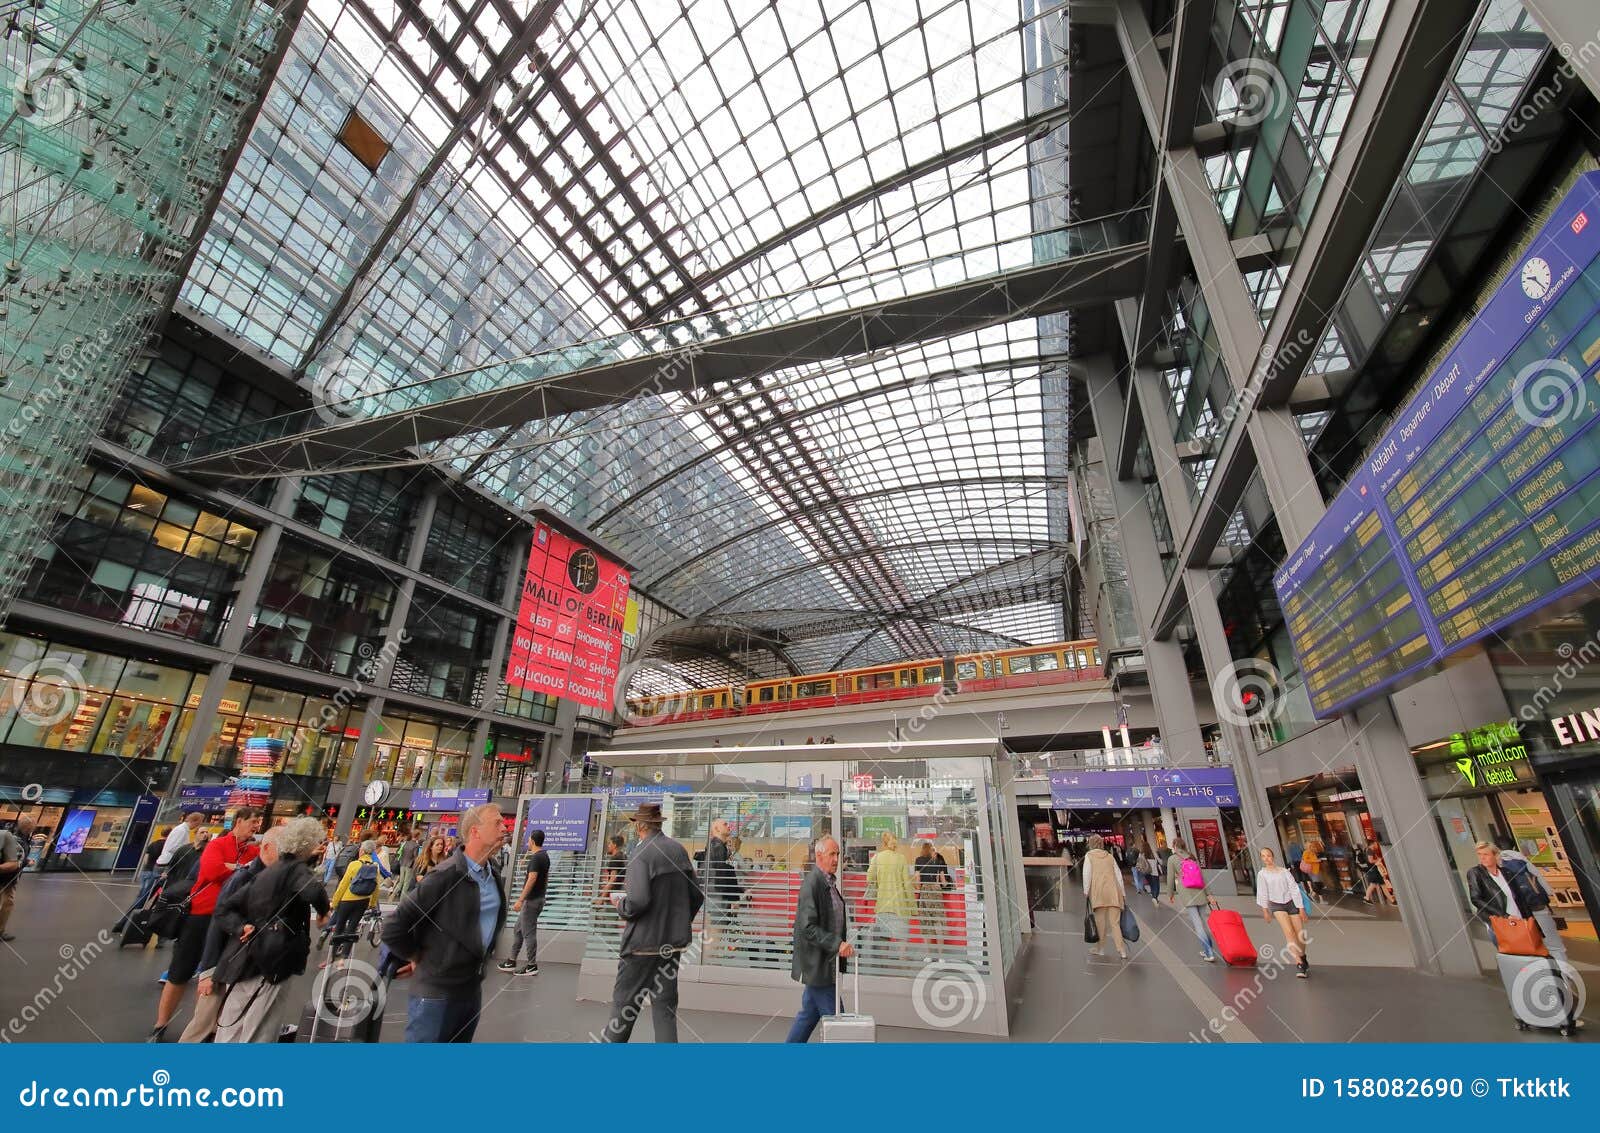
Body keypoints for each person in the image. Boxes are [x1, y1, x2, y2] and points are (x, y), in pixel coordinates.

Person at [383, 802, 507, 1043]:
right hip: (436, 995)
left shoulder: (492, 872)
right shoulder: (445, 875)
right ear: (475, 832)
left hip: (470, 990)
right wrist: (417, 956)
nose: (505, 827)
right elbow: (395, 926)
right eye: (498, 823)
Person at [212, 817, 331, 1043]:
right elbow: (312, 890)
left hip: (243, 960)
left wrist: (240, 927)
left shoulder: (267, 873)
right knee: (261, 1030)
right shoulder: (295, 870)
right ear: (309, 845)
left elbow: (224, 909)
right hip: (273, 961)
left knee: (231, 1029)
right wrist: (324, 912)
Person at [149, 807, 261, 1040]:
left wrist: (231, 869)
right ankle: (161, 1023)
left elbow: (256, 877)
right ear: (239, 821)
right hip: (200, 916)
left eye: (259, 822)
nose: (257, 826)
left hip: (229, 920)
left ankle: (204, 1027)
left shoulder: (253, 851)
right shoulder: (218, 845)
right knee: (180, 971)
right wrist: (239, 870)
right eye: (253, 821)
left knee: (216, 975)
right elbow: (212, 871)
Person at [601, 802, 703, 1043]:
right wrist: (677, 921)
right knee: (665, 1011)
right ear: (659, 824)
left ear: (640, 827)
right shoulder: (679, 850)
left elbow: (637, 901)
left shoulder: (641, 853)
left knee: (623, 1009)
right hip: (672, 946)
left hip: (641, 947)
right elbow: (696, 896)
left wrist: (620, 906)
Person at [178, 825, 280, 1042]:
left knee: (225, 1024)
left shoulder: (268, 876)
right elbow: (218, 922)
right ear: (268, 848)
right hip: (223, 964)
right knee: (203, 1022)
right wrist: (207, 971)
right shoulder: (244, 877)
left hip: (240, 966)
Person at [785, 836, 854, 1042]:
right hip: (819, 965)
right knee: (837, 1020)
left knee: (808, 1015)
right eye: (832, 854)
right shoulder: (812, 884)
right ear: (819, 855)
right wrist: (837, 944)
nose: (836, 859)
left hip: (824, 964)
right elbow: (807, 927)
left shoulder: (828, 882)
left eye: (838, 854)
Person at [1468, 841, 1567, 965]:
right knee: (1518, 953)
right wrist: (1505, 916)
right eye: (1479, 854)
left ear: (1496, 855)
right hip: (1506, 919)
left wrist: (1531, 922)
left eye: (1486, 854)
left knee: (1523, 953)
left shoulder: (1506, 872)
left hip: (1518, 919)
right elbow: (1476, 899)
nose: (1482, 858)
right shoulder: (1476, 872)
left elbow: (1519, 898)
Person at [323, 839, 384, 959]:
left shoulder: (354, 864)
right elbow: (376, 888)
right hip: (364, 901)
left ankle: (333, 955)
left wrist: (335, 902)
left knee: (339, 927)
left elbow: (343, 885)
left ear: (362, 850)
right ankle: (345, 955)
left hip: (347, 900)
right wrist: (371, 903)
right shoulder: (375, 867)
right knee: (352, 927)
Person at [499, 828, 549, 975]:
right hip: (538, 898)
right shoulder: (545, 856)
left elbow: (532, 878)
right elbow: (546, 878)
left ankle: (532, 965)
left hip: (531, 901)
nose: (527, 842)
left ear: (532, 841)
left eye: (528, 840)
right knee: (518, 929)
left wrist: (521, 900)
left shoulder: (536, 858)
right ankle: (511, 960)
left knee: (528, 933)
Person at [1256, 847, 1308, 978]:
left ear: (1273, 856)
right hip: (1276, 904)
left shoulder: (1284, 872)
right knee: (1289, 932)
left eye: (1268, 855)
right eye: (1263, 856)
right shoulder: (1262, 874)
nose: (1266, 858)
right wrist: (1265, 911)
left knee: (1301, 934)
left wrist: (1301, 909)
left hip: (1291, 903)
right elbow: (1262, 892)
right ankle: (1299, 963)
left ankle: (1303, 956)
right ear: (1261, 859)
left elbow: (1294, 889)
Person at [865, 831, 915, 962]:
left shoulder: (876, 858)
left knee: (883, 948)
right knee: (902, 950)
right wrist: (913, 908)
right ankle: (901, 977)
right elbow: (908, 885)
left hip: (883, 907)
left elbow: (869, 878)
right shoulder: (901, 858)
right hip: (900, 909)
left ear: (883, 843)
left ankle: (884, 975)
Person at [1165, 837, 1217, 962]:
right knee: (1203, 923)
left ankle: (1209, 953)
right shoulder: (1192, 857)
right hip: (1200, 893)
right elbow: (1202, 876)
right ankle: (1207, 949)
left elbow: (1170, 878)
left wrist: (1170, 894)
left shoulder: (1172, 859)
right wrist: (1209, 894)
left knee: (1197, 924)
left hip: (1187, 894)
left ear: (1174, 846)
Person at [698, 818, 744, 958]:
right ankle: (711, 967)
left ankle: (711, 964)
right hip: (717, 899)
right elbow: (720, 877)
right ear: (716, 829)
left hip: (715, 899)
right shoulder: (717, 847)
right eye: (725, 824)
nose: (728, 826)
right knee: (715, 936)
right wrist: (733, 899)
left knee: (714, 936)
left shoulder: (719, 847)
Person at [1081, 833, 1127, 961]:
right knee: (1115, 923)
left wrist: (1086, 890)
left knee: (1100, 923)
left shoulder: (1089, 856)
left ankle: (1100, 949)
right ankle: (1122, 950)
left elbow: (1087, 874)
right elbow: (1118, 876)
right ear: (1101, 844)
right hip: (1114, 893)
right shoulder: (1110, 857)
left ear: (1090, 843)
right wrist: (1123, 893)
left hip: (1098, 892)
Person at [115, 829, 170, 933]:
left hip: (146, 871)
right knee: (146, 898)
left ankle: (124, 920)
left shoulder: (152, 844)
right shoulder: (166, 847)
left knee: (141, 896)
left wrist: (146, 868)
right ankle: (131, 921)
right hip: (155, 872)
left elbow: (146, 858)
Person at [0, 815, 36, 942]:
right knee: (8, 903)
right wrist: (27, 862)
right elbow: (15, 860)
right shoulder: (20, 841)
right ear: (30, 828)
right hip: (8, 877)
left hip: (5, 875)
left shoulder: (12, 836)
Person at [913, 840, 952, 950]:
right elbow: (943, 881)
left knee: (926, 923)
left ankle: (929, 954)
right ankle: (941, 955)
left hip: (925, 891)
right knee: (938, 922)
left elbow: (917, 880)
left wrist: (919, 889)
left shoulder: (918, 860)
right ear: (931, 850)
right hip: (936, 890)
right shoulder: (938, 860)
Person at [395, 827, 421, 900]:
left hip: (402, 863)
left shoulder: (405, 843)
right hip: (410, 865)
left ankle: (392, 895)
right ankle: (402, 900)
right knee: (406, 883)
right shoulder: (416, 845)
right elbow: (415, 857)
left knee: (401, 882)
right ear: (418, 836)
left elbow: (401, 853)